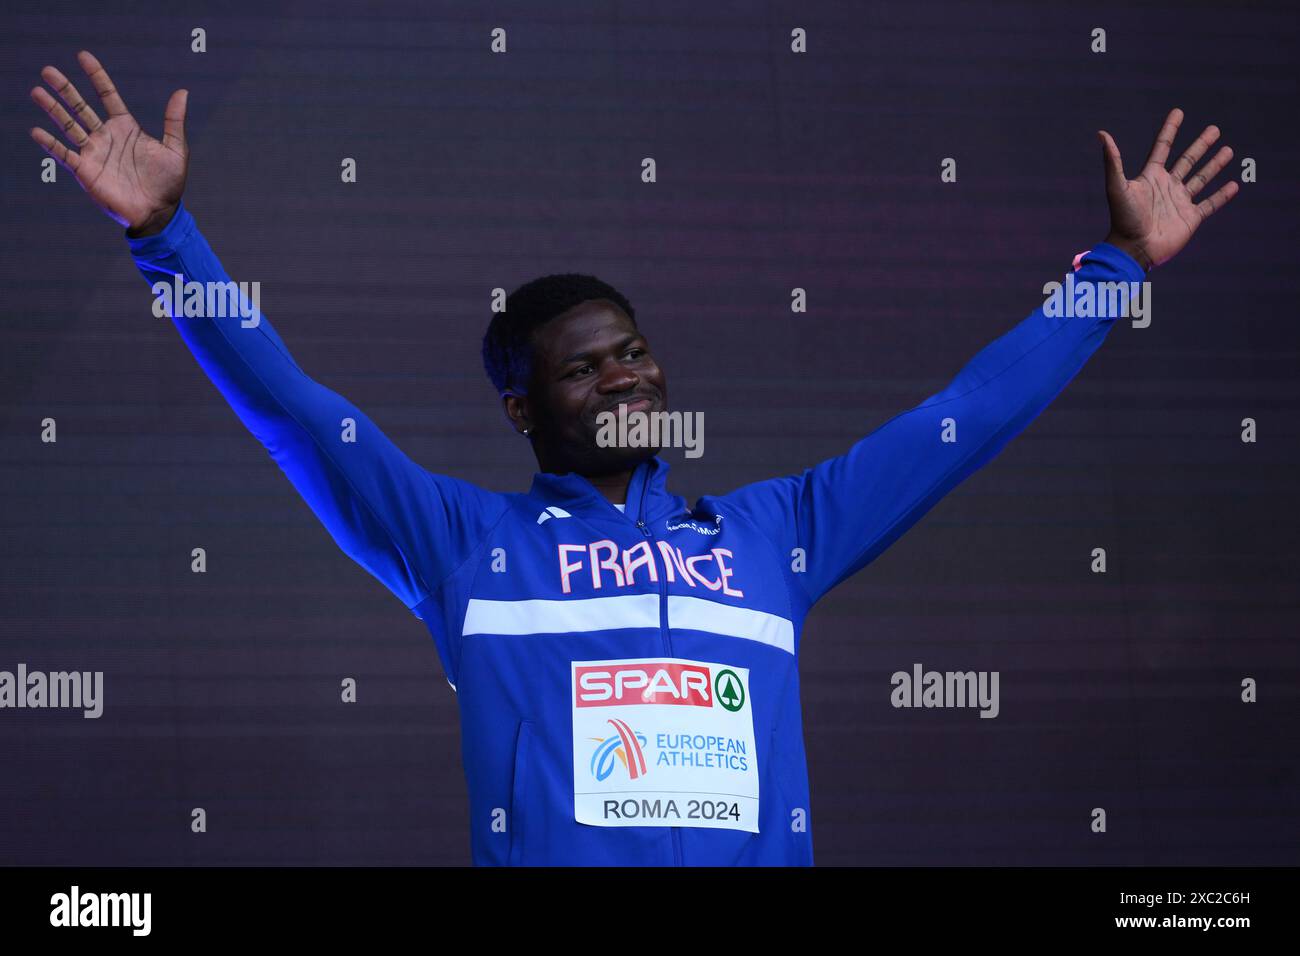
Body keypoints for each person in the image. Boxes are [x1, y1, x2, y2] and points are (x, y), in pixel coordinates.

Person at [29, 50, 1238, 866]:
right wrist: (166, 237)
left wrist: (1116, 272)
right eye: (582, 365)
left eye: (635, 352)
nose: (624, 376)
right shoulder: (464, 546)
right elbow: (292, 407)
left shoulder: (773, 532)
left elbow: (964, 418)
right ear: (520, 407)